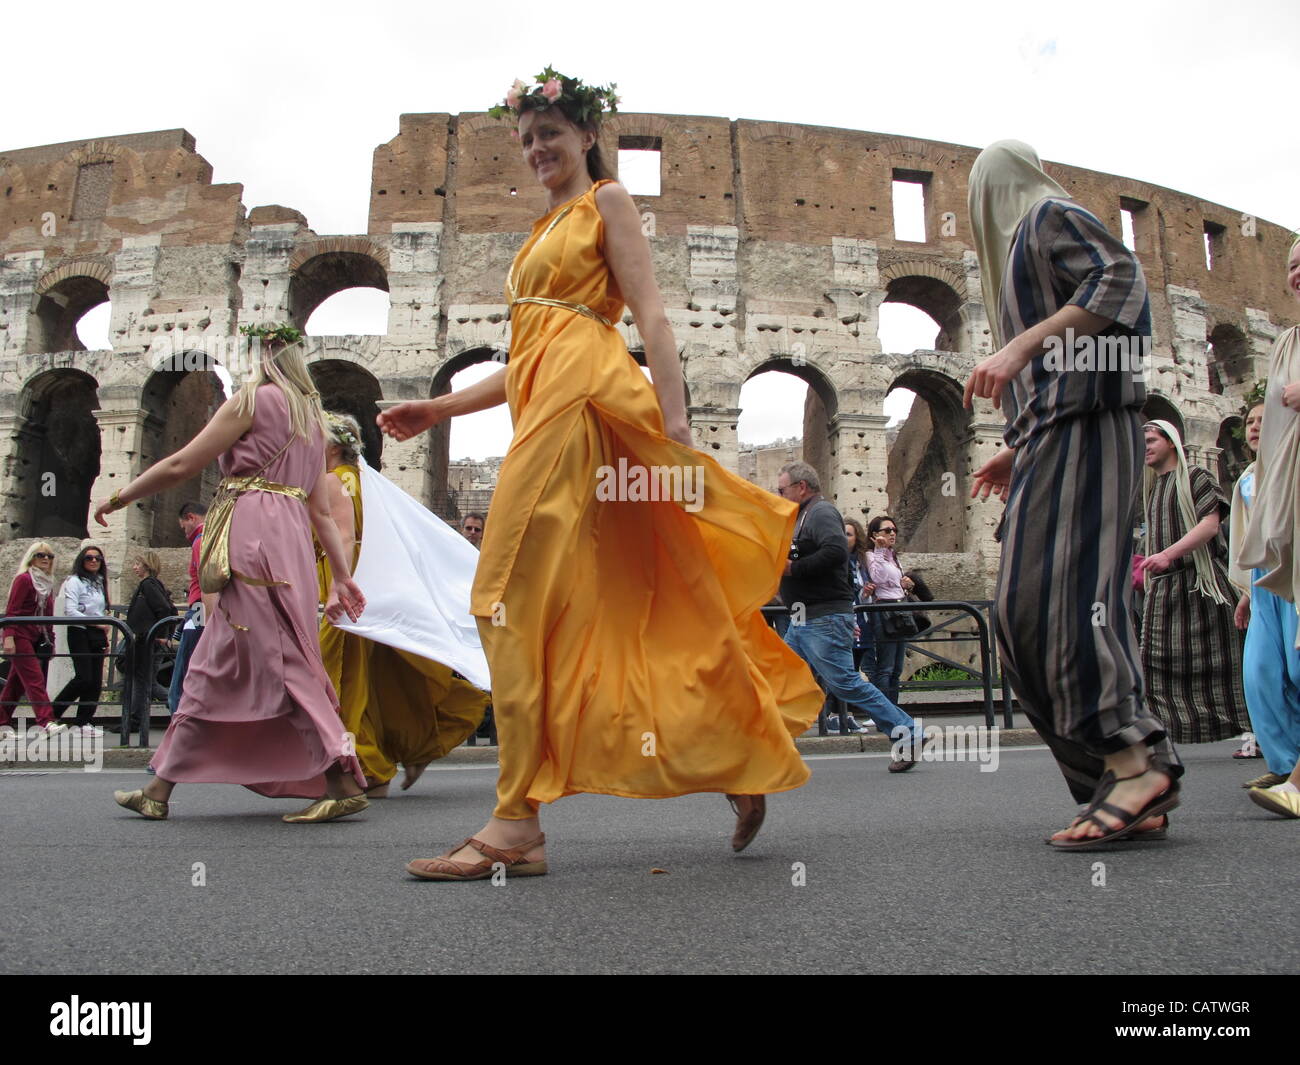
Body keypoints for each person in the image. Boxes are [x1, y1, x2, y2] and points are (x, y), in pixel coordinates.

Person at [378, 69, 823, 879]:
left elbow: (650, 312)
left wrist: (679, 423)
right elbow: (522, 361)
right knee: (602, 603)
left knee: (500, 596)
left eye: (551, 132)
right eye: (526, 139)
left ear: (587, 135)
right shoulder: (541, 228)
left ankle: (517, 824)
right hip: (544, 406)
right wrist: (437, 409)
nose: (538, 148)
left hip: (587, 403)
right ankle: (729, 748)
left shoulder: (607, 202)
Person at [964, 139, 1182, 849]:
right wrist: (1016, 444)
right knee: (1022, 613)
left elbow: (1122, 282)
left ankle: (1129, 764)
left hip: (1090, 432)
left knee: (1062, 602)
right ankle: (1127, 773)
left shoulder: (1050, 216)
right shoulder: (1022, 257)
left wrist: (1020, 346)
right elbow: (1065, 373)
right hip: (1054, 437)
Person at [93, 327, 369, 823]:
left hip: (251, 533)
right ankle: (159, 788)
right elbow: (322, 513)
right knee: (222, 658)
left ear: (260, 355)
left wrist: (120, 496)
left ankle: (341, 777)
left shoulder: (252, 401)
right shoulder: (311, 419)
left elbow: (181, 463)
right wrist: (344, 577)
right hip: (289, 543)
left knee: (277, 656)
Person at [316, 411, 488, 797]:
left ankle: (366, 767)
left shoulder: (333, 482)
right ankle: (384, 762)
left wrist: (333, 591)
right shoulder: (363, 482)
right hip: (364, 592)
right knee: (375, 682)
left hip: (344, 594)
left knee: (339, 684)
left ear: (331, 445)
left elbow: (343, 538)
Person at [777, 462, 926, 769]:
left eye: (783, 489)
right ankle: (765, 740)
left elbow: (834, 552)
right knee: (780, 674)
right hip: (804, 618)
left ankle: (908, 732)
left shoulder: (821, 513)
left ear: (801, 487)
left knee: (845, 682)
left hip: (823, 617)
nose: (780, 494)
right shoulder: (803, 517)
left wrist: (793, 568)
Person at [1238, 233, 1300, 819]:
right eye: (1292, 265)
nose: (1297, 274)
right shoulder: (1288, 342)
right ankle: (1289, 764)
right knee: (1264, 670)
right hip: (1284, 542)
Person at [1139, 419, 1250, 744]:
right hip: (1163, 589)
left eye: (1150, 440)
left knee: (1223, 663)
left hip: (1200, 583)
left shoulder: (1196, 477)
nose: (1145, 447)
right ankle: (1165, 732)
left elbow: (1210, 525)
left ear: (1171, 442)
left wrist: (1167, 555)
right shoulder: (1152, 488)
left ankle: (1253, 731)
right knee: (1155, 665)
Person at [0, 542, 67, 734]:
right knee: (34, 678)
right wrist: (9, 636)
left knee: (16, 683)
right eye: (40, 555)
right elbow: (13, 610)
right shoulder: (24, 579)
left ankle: (1, 720)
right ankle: (46, 722)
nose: (45, 559)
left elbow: (48, 616)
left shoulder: (47, 582)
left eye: (49, 556)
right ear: (31, 558)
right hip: (20, 635)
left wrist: (51, 640)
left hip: (36, 636)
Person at [50, 545, 109, 736]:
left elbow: (100, 609)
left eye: (97, 558)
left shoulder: (99, 581)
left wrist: (101, 626)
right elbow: (71, 610)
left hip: (96, 634)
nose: (93, 561)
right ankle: (51, 713)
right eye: (89, 558)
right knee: (84, 677)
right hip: (79, 631)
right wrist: (97, 623)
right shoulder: (74, 581)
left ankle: (83, 721)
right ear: (81, 561)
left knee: (95, 681)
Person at [118, 551, 177, 736]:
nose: (134, 568)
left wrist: (159, 634)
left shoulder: (148, 584)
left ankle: (181, 707)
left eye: (137, 564)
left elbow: (164, 609)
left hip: (148, 641)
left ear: (146, 565)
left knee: (144, 682)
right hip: (149, 639)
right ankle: (135, 720)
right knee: (145, 682)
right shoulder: (152, 584)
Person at [864, 513, 918, 707]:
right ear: (874, 534)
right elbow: (876, 579)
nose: (892, 533)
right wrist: (878, 549)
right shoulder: (871, 555)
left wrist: (907, 584)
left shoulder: (893, 556)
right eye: (887, 530)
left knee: (896, 667)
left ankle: (894, 709)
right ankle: (884, 711)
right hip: (884, 610)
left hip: (900, 608)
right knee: (885, 667)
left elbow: (895, 584)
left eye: (894, 530)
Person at [168, 502, 207, 713]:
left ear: (191, 517)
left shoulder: (200, 541)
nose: (184, 534)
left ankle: (179, 713)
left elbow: (206, 582)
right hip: (202, 609)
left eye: (183, 528)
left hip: (199, 609)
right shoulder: (213, 537)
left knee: (186, 663)